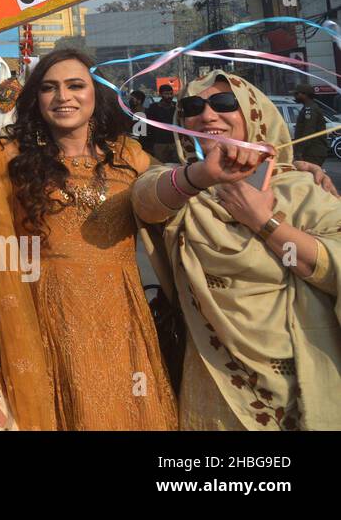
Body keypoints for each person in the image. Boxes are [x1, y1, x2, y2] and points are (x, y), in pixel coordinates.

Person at [0, 26, 177, 430]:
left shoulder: (129, 157)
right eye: (50, 88)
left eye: (75, 86)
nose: (63, 96)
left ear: (95, 94)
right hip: (43, 314)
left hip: (121, 315)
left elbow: (174, 194)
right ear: (36, 99)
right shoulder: (10, 156)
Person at [132, 72, 341, 429]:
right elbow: (145, 199)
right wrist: (202, 176)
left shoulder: (302, 188)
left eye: (225, 104)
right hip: (216, 388)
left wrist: (265, 222)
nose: (208, 115)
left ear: (256, 114)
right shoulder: (183, 189)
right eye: (193, 107)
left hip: (300, 376)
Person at [291, 84, 329, 166]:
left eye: (297, 94)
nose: (295, 96)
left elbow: (308, 132)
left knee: (310, 176)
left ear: (305, 94)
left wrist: (299, 151)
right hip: (310, 151)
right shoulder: (307, 108)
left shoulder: (310, 109)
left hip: (312, 151)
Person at [144, 84, 179, 163]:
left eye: (171, 94)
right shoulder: (153, 108)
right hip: (159, 143)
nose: (169, 96)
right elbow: (149, 125)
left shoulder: (176, 107)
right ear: (160, 94)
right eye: (166, 94)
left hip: (175, 142)